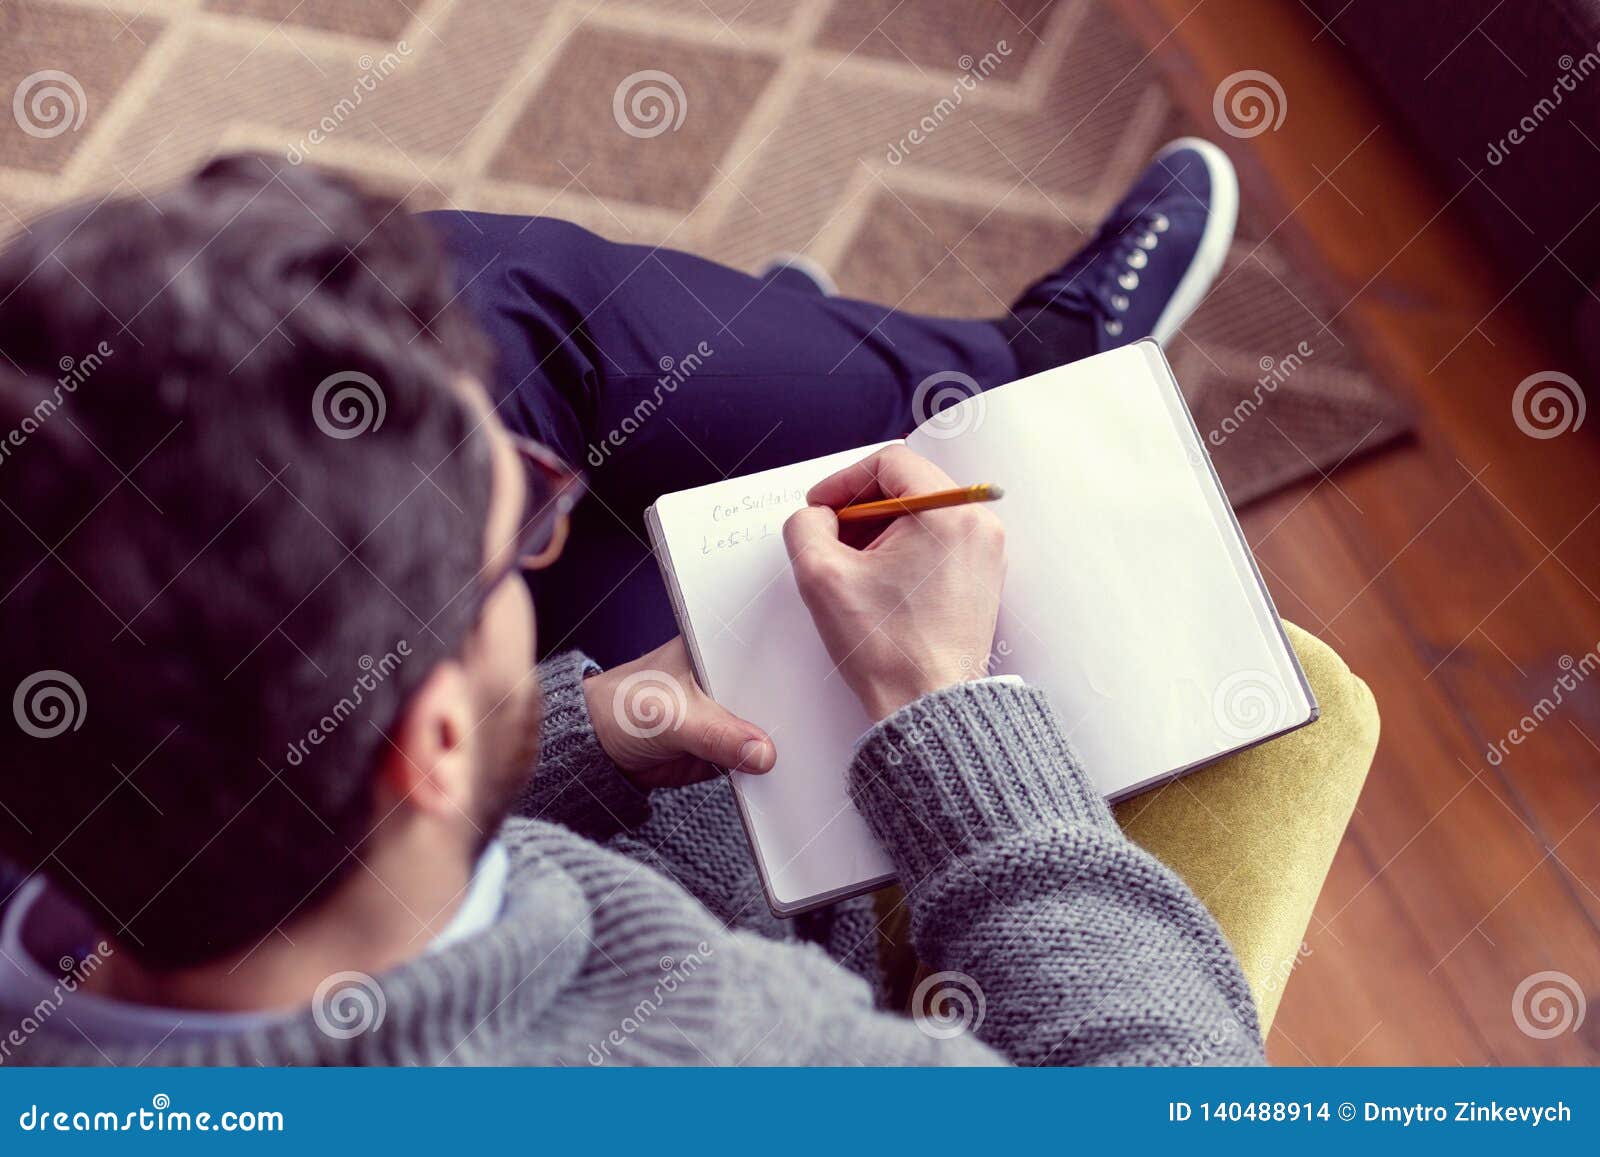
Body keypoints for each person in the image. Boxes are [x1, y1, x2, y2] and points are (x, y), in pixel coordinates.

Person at [0, 137, 1264, 1065]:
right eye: (519, 540)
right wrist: (946, 711)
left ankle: (845, 360)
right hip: (716, 893)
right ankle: (965, 367)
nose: (531, 555)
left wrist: (599, 720)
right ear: (430, 746)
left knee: (476, 303)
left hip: (472, 830)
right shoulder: (742, 1062)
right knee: (599, 361)